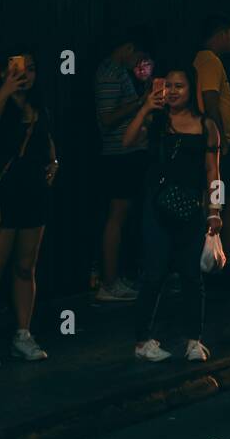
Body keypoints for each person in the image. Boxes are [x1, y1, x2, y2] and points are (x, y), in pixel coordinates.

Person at [0, 50, 58, 370]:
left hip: (33, 192)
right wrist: (4, 92)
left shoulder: (37, 103)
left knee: (25, 267)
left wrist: (54, 160)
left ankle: (22, 335)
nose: (26, 75)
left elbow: (45, 136)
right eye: (17, 69)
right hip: (1, 193)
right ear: (2, 72)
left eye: (31, 69)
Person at [123, 64, 222, 362]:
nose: (173, 91)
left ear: (191, 89)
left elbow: (214, 171)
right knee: (154, 275)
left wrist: (215, 209)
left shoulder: (206, 125)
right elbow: (126, 142)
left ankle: (193, 340)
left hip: (192, 209)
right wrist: (145, 108)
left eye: (180, 85)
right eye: (168, 86)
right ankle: (142, 341)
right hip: (156, 209)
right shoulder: (156, 122)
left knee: (193, 277)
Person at [94, 29, 154, 302]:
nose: (138, 62)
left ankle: (117, 277)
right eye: (138, 56)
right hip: (119, 154)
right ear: (128, 48)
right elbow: (106, 119)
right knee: (116, 217)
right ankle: (109, 281)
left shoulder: (118, 73)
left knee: (124, 216)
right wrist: (139, 104)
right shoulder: (109, 73)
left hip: (128, 153)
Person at [193, 16, 230, 280]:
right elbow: (211, 99)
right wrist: (220, 138)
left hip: (220, 143)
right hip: (218, 146)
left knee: (225, 198)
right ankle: (221, 263)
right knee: (226, 199)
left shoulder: (208, 60)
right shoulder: (210, 60)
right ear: (220, 33)